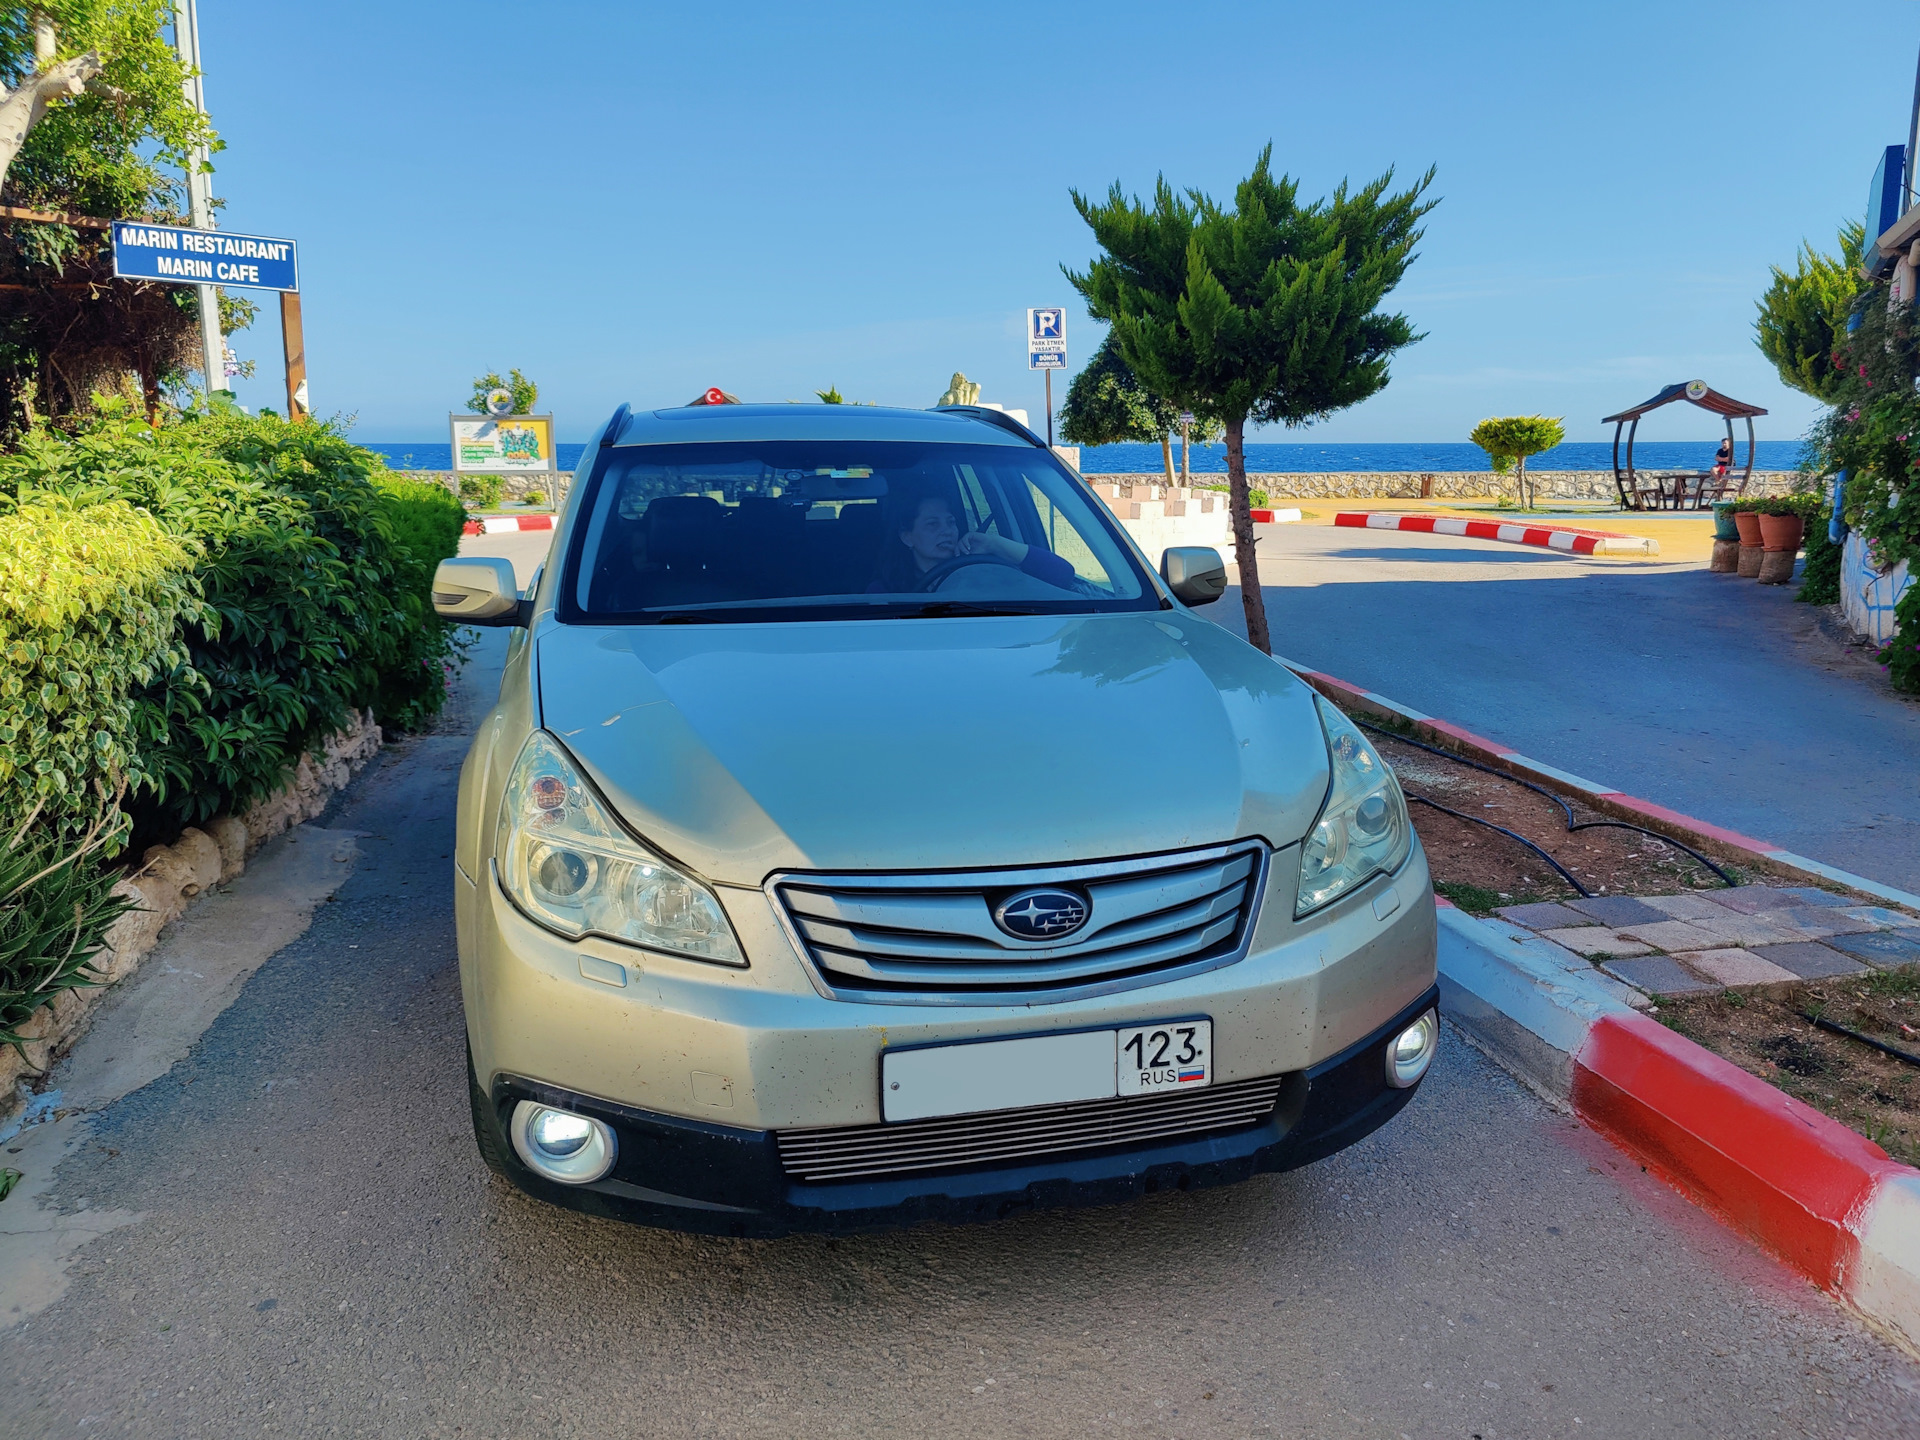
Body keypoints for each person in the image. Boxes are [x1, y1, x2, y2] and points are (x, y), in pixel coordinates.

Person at [870, 489, 1076, 593]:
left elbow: (1062, 574)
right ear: (907, 537)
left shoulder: (985, 576)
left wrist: (995, 544)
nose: (946, 531)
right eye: (933, 524)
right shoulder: (886, 591)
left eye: (951, 522)